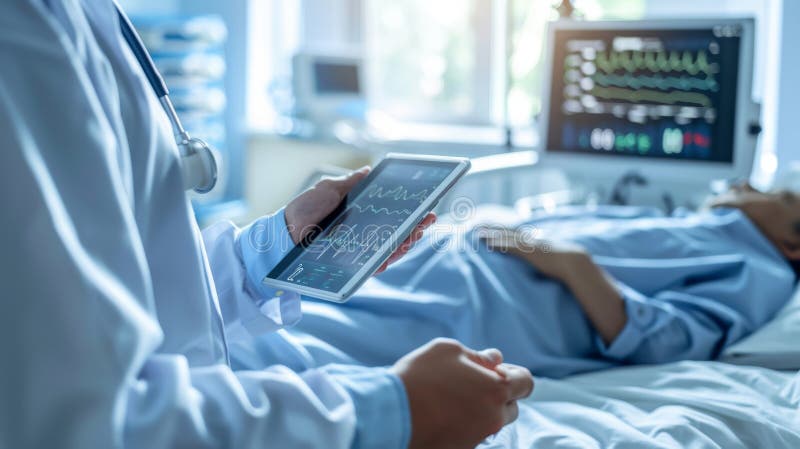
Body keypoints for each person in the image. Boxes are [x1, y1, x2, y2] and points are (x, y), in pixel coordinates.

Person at [0, 2, 533, 449]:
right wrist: (388, 413)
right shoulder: (22, 34)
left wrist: (276, 244)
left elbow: (134, 289)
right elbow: (80, 425)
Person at [234, 185, 800, 379]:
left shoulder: (763, 272)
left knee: (312, 335)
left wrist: (566, 259)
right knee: (293, 294)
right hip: (465, 258)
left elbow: (665, 340)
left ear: (794, 241)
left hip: (493, 304)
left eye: (778, 195)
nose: (754, 185)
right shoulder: (697, 222)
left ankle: (225, 378)